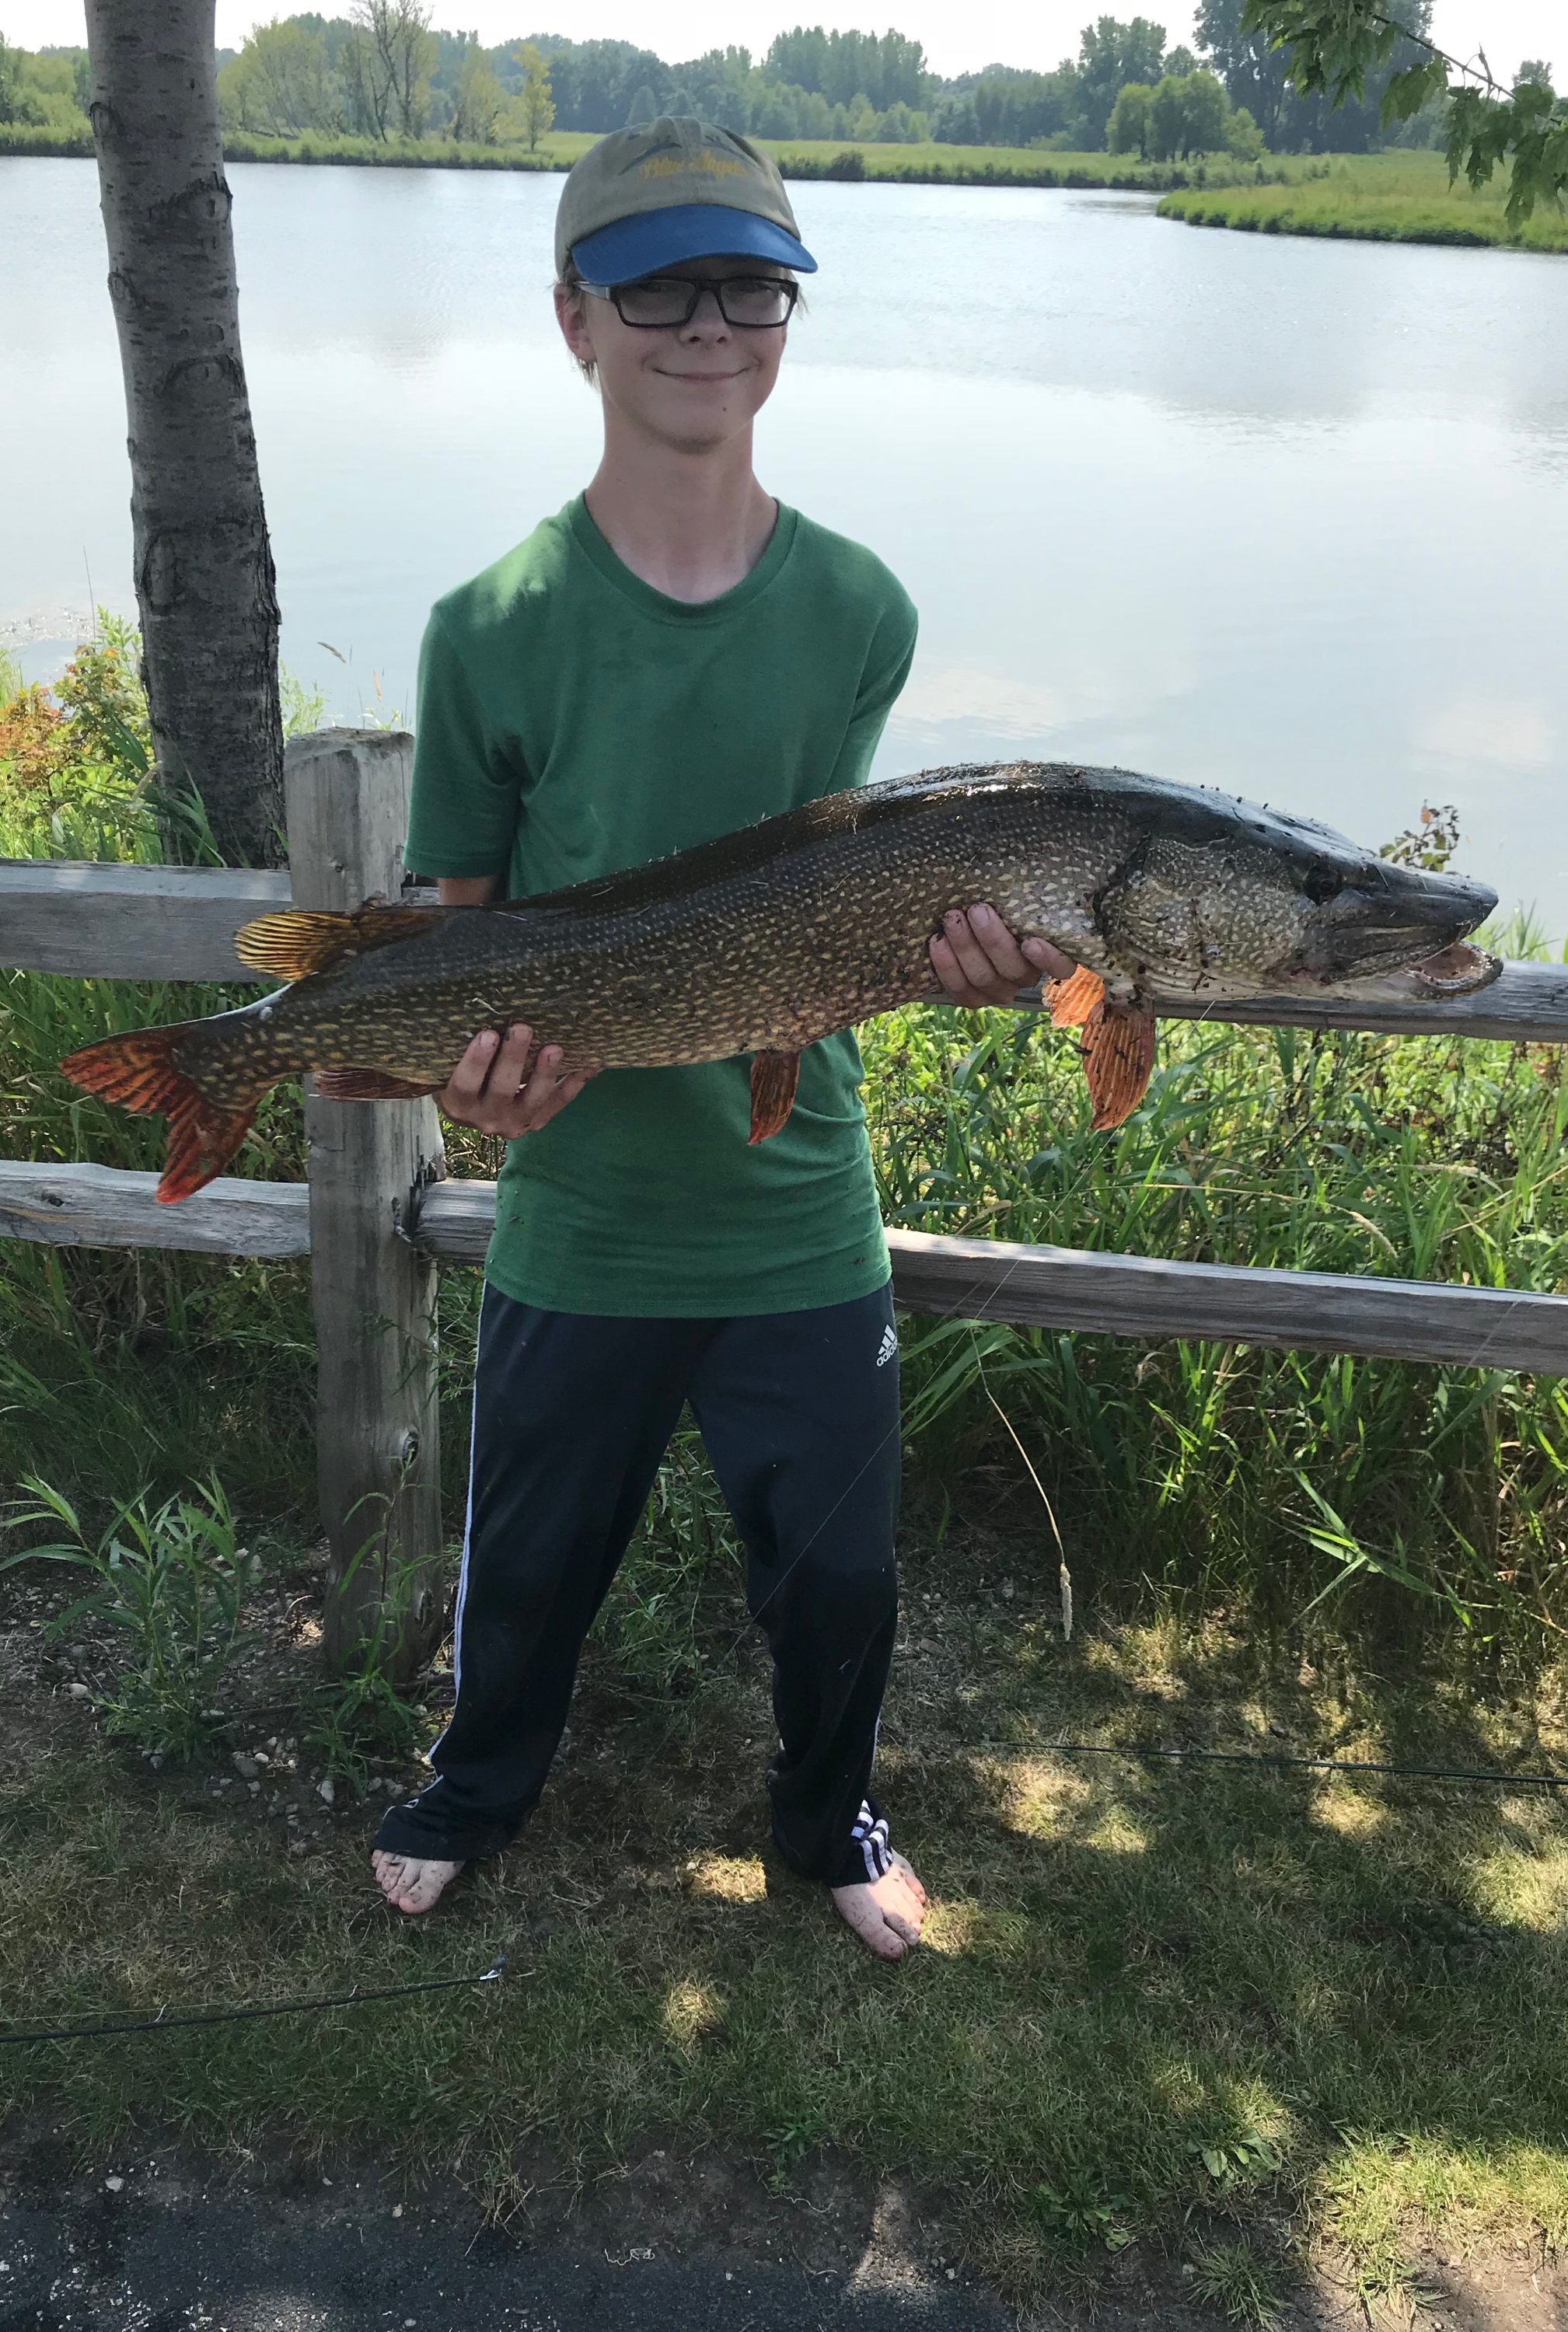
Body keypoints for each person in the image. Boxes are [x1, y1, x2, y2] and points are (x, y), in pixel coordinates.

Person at [370, 118, 1074, 1961]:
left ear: (787, 319)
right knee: (526, 1565)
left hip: (791, 1206)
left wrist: (973, 957)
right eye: (660, 284)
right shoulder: (489, 628)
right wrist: (471, 1068)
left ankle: (831, 1816)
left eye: (749, 286)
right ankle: (475, 1785)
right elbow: (469, 935)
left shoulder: (859, 610)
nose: (708, 326)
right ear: (573, 319)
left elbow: (836, 898)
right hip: (584, 1209)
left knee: (838, 1573)